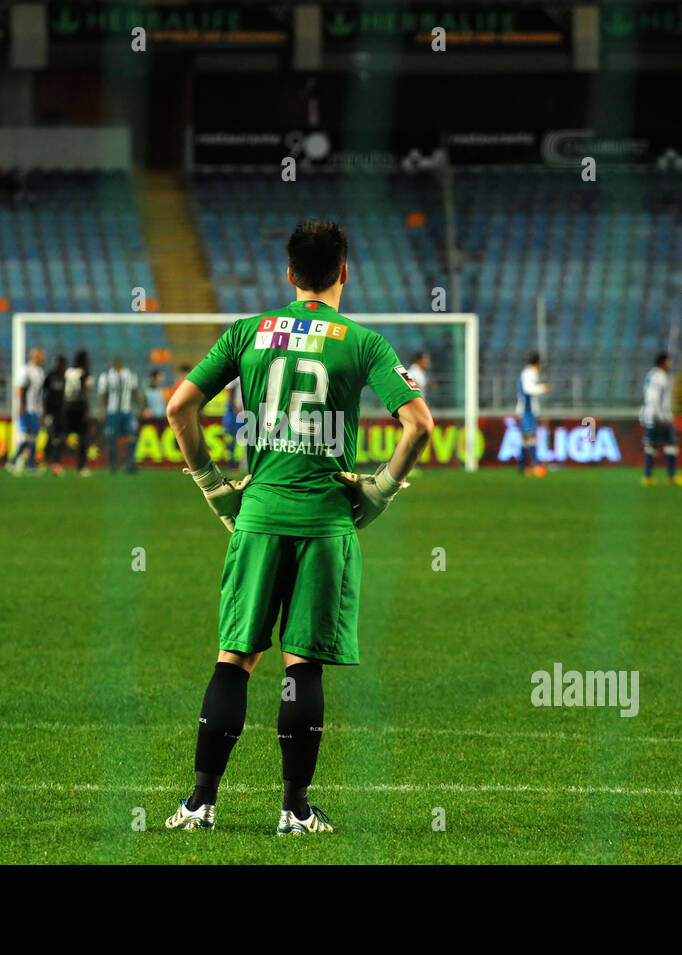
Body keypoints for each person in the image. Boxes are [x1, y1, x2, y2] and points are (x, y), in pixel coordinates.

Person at [163, 221, 433, 836]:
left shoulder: (248, 333)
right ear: (345, 272)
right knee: (301, 665)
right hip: (325, 520)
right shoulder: (363, 343)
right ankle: (294, 810)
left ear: (289, 275)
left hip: (257, 517)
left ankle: (200, 804)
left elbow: (179, 406)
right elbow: (418, 426)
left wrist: (211, 483)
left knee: (234, 659)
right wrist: (380, 492)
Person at [640, 351, 682, 486]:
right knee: (670, 444)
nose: (670, 363)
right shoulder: (659, 377)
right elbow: (653, 397)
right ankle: (671, 476)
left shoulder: (652, 375)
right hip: (659, 416)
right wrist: (660, 415)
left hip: (651, 415)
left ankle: (648, 477)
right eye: (669, 361)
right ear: (663, 362)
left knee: (652, 445)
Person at [98, 357, 144, 474]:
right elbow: (102, 395)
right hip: (112, 412)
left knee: (133, 434)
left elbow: (135, 392)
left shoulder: (130, 375)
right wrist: (101, 411)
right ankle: (113, 466)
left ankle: (129, 463)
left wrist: (140, 407)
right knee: (111, 438)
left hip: (127, 411)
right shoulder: (106, 376)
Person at [8, 347, 45, 475]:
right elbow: (19, 388)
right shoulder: (25, 370)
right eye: (41, 356)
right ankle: (29, 465)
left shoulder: (40, 372)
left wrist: (41, 409)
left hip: (36, 409)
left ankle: (15, 461)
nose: (43, 359)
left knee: (32, 436)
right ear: (35, 357)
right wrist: (20, 407)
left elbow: (40, 393)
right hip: (26, 408)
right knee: (29, 436)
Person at [517, 352, 550, 477]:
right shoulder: (529, 373)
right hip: (527, 410)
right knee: (530, 437)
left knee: (526, 438)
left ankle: (524, 466)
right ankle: (535, 464)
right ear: (537, 363)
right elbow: (528, 389)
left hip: (528, 409)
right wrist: (543, 388)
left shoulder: (527, 372)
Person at [63, 350, 92, 476]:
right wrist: (87, 409)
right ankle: (80, 467)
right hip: (80, 406)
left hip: (68, 405)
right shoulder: (85, 373)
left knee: (62, 435)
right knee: (83, 437)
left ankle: (56, 463)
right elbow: (86, 392)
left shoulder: (69, 372)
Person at [42, 355, 70, 476]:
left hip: (62, 412)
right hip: (51, 412)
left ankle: (55, 463)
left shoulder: (66, 377)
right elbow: (43, 393)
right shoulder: (50, 376)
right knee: (52, 438)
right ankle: (49, 462)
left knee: (60, 438)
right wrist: (44, 411)